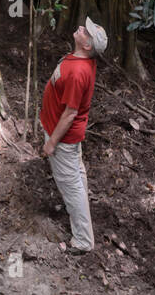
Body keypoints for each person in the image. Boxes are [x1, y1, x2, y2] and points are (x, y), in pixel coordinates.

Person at [40, 16, 108, 253]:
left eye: (85, 31)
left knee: (72, 186)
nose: (80, 27)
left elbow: (70, 113)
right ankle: (82, 218)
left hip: (64, 141)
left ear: (87, 45)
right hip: (69, 139)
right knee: (77, 179)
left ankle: (83, 241)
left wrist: (52, 142)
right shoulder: (80, 60)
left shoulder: (79, 71)